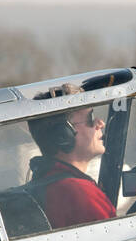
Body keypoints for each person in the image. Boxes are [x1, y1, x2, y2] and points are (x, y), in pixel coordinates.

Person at [26, 85, 116, 229]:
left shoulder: (46, 183)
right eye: (90, 118)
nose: (101, 123)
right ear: (64, 134)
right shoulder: (79, 192)